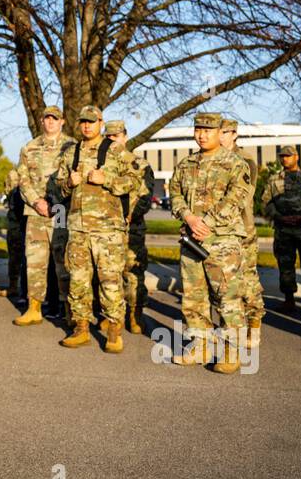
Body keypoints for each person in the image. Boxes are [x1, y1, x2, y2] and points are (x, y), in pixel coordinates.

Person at [55, 108, 141, 353]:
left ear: (101, 123)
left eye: (91, 122)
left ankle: (114, 330)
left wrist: (108, 180)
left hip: (107, 230)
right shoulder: (71, 152)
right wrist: (67, 184)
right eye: (83, 121)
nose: (86, 126)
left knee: (110, 281)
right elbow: (58, 189)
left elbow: (135, 182)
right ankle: (80, 328)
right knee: (78, 280)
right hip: (78, 229)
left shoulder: (115, 150)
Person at [169, 112, 250, 373]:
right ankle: (200, 345)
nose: (202, 134)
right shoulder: (186, 164)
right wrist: (189, 217)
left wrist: (208, 223)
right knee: (194, 298)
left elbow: (237, 197)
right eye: (198, 129)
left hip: (223, 240)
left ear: (219, 131)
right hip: (192, 239)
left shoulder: (235, 163)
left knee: (227, 297)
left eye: (208, 129)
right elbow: (175, 193)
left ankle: (231, 351)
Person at [12, 105, 75, 326]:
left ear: (62, 122)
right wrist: (36, 201)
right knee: (35, 261)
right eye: (47, 118)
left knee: (64, 261)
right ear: (42, 120)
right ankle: (34, 308)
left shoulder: (72, 147)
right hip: (36, 211)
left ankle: (70, 310)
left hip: (61, 211)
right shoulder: (29, 148)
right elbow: (23, 178)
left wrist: (55, 203)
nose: (50, 122)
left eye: (55, 119)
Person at [261, 145, 301, 316]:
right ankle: (289, 300)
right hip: (283, 231)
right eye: (282, 156)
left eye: (288, 156)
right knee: (285, 266)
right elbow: (266, 203)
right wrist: (279, 217)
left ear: (296, 157)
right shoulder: (274, 180)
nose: (285, 159)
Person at [106, 119, 154, 334]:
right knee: (108, 274)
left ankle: (135, 314)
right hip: (106, 229)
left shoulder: (140, 164)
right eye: (107, 137)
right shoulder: (100, 164)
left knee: (133, 273)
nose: (111, 141)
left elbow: (146, 197)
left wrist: (130, 216)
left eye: (115, 136)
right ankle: (111, 315)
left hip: (131, 228)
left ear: (124, 137)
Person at [220, 119, 263, 346]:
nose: (219, 136)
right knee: (223, 283)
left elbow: (243, 196)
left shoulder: (244, 159)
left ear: (234, 134)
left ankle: (254, 326)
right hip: (216, 233)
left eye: (223, 132)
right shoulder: (210, 157)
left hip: (241, 230)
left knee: (247, 281)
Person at [1, 167, 26, 300]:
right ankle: (13, 286)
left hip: (31, 219)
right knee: (14, 255)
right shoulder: (13, 174)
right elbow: (9, 193)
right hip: (15, 220)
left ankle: (25, 289)